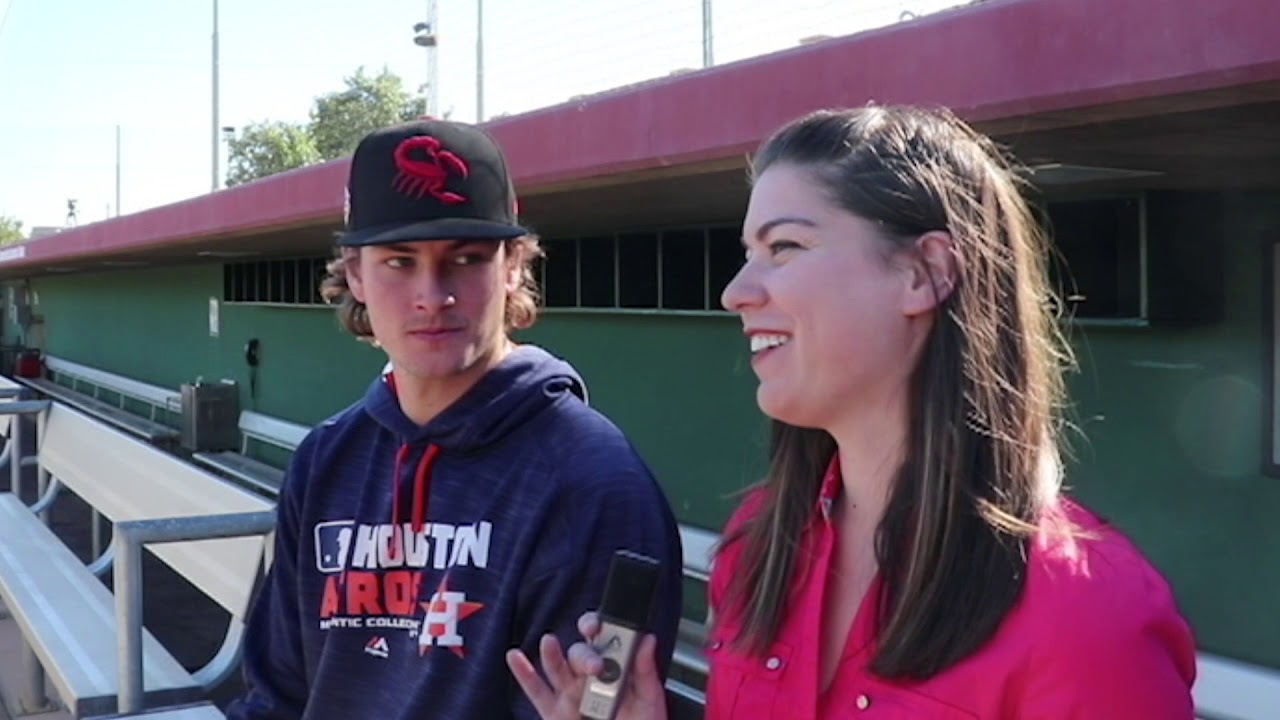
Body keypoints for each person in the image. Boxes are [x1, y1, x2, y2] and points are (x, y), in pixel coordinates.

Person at [507, 105, 1197, 719]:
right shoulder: (758, 550)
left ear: (923, 273)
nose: (736, 292)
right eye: (748, 254)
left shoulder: (1084, 618)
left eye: (784, 247)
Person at [226, 118, 683, 720]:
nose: (432, 294)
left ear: (514, 264)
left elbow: (596, 709)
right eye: (399, 261)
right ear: (356, 273)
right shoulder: (326, 459)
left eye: (466, 258)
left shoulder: (594, 482)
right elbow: (277, 697)